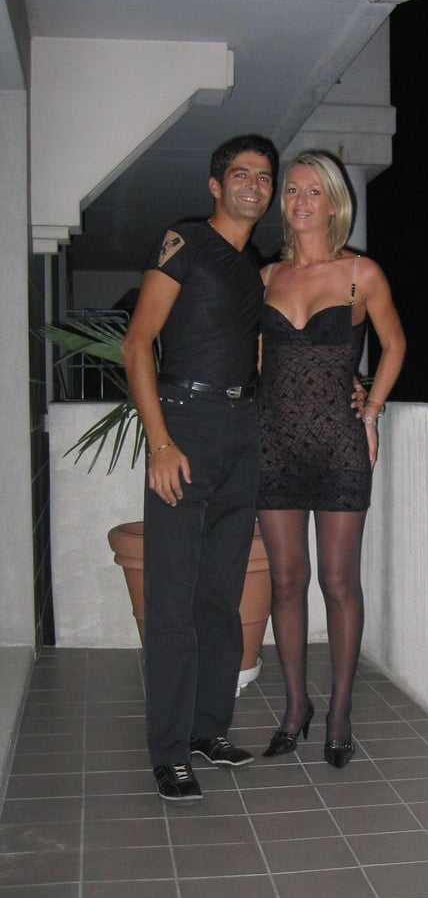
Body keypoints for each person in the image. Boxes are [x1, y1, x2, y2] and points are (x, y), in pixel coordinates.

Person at [122, 133, 279, 802]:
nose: (254, 185)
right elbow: (138, 342)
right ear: (216, 185)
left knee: (220, 592)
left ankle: (207, 730)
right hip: (185, 425)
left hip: (242, 429)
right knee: (172, 597)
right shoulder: (183, 242)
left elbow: (266, 352)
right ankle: (168, 752)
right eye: (241, 174)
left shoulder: (254, 268)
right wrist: (160, 442)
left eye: (263, 177)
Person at [257, 150, 406, 768]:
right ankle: (297, 707)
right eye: (292, 190)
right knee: (286, 581)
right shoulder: (265, 277)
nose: (300, 200)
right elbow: (259, 362)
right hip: (274, 444)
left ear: (333, 204)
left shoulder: (359, 274)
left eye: (313, 191)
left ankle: (340, 711)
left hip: (340, 443)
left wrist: (370, 409)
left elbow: (394, 344)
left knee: (338, 582)